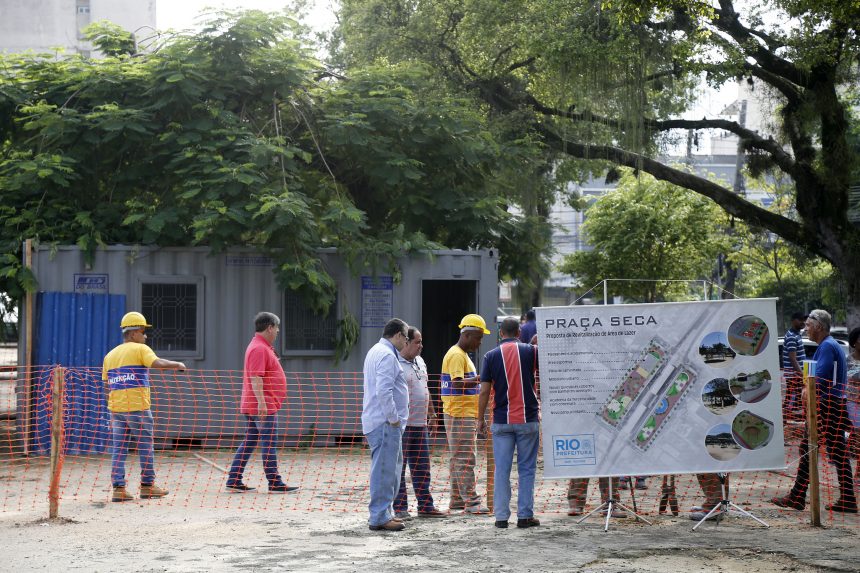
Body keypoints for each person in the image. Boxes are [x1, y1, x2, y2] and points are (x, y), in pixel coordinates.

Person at [771, 309, 857, 513]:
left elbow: (818, 378)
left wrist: (806, 390)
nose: (806, 329)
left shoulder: (827, 346)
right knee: (833, 453)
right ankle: (843, 498)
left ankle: (799, 496)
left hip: (827, 406)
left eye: (809, 325)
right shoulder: (827, 346)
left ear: (819, 326)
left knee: (815, 450)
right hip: (831, 405)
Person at [104, 311, 186, 502]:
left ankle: (118, 489)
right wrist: (178, 364)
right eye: (143, 331)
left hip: (116, 410)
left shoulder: (110, 355)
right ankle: (148, 486)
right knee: (145, 446)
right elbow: (157, 362)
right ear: (133, 333)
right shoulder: (140, 349)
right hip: (138, 409)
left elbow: (106, 384)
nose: (146, 335)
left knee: (119, 448)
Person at [478, 317, 541, 529]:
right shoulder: (532, 352)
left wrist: (480, 419)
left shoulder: (490, 356)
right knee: (527, 469)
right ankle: (524, 516)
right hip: (527, 419)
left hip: (501, 421)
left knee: (501, 470)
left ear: (501, 334)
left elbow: (485, 390)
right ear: (519, 332)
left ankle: (501, 517)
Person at [226, 312, 297, 494]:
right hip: (261, 406)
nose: (278, 331)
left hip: (257, 404)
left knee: (250, 441)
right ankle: (274, 482)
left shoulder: (261, 346)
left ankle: (234, 479)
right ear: (270, 327)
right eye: (277, 328)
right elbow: (256, 377)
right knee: (269, 442)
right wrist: (262, 404)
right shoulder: (259, 348)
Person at [362, 318, 411, 532]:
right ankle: (380, 516)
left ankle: (384, 513)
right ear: (398, 334)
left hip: (380, 422)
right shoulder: (387, 355)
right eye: (406, 337)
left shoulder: (376, 351)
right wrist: (394, 418)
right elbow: (384, 391)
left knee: (387, 470)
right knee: (385, 471)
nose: (406, 342)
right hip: (384, 423)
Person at [393, 327, 447, 519]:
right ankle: (400, 508)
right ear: (406, 342)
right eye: (418, 342)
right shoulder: (395, 363)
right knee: (399, 468)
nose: (421, 346)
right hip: (403, 426)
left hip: (420, 424)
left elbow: (424, 389)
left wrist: (432, 414)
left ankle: (425, 506)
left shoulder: (420, 362)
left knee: (422, 468)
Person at [441, 313, 490, 514]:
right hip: (459, 414)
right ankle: (471, 501)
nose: (479, 342)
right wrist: (482, 378)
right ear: (468, 334)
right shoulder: (456, 355)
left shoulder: (463, 356)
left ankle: (457, 499)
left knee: (458, 457)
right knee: (465, 458)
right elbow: (457, 383)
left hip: (462, 413)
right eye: (479, 337)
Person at [783, 312, 808, 414]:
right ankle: (785, 421)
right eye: (800, 319)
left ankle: (791, 421)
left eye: (804, 320)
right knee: (792, 401)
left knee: (796, 400)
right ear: (793, 321)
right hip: (794, 375)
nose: (803, 322)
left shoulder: (797, 334)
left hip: (797, 374)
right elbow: (793, 359)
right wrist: (802, 375)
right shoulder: (792, 336)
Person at [845, 327, 860, 484]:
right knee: (858, 434)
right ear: (855, 342)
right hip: (853, 403)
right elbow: (848, 379)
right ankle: (857, 473)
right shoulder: (847, 360)